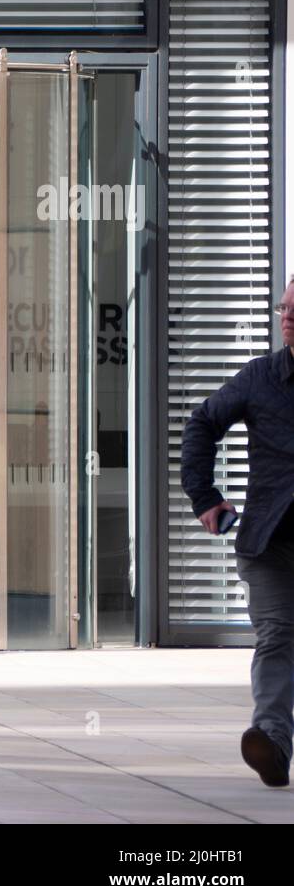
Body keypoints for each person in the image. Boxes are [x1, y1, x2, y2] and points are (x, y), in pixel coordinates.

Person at [182, 276, 294, 786]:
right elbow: (202, 421)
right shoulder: (260, 378)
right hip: (269, 544)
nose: (287, 317)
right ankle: (270, 742)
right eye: (283, 308)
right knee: (276, 636)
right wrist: (205, 496)